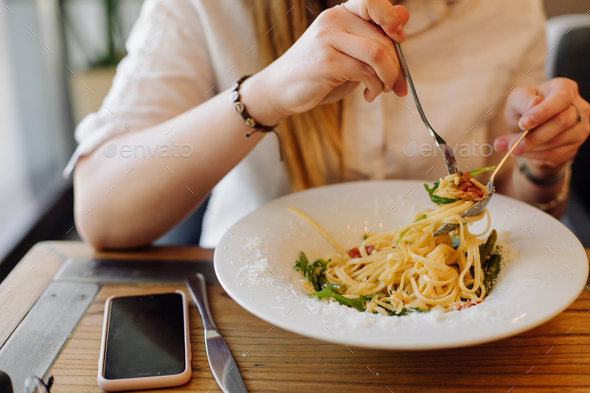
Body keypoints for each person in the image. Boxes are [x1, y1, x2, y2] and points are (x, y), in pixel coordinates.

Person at [66, 0, 590, 250]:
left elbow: (509, 203)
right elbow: (104, 213)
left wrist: (541, 164)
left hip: (453, 316)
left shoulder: (507, 11)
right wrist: (264, 95)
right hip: (243, 310)